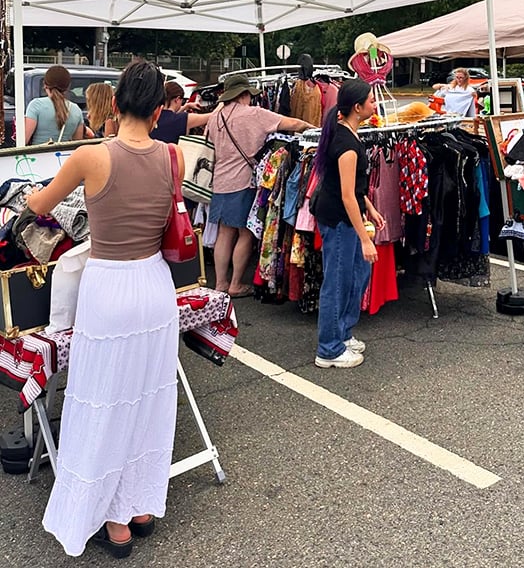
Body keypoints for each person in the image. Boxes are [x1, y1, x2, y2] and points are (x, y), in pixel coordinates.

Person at [28, 60, 183, 558]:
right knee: (146, 396)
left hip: (109, 287)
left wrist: (32, 193)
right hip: (155, 287)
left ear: (114, 105)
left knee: (102, 397)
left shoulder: (89, 157)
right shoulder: (173, 157)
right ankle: (137, 506)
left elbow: (40, 205)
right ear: (160, 110)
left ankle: (110, 520)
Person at [207, 73, 314, 297]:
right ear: (244, 95)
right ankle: (236, 284)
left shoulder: (215, 118)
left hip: (219, 181)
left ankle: (220, 283)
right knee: (245, 233)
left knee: (224, 233)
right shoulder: (253, 114)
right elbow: (291, 123)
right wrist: (313, 129)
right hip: (243, 181)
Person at [311, 78, 385, 369]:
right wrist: (364, 238)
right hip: (338, 219)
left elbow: (353, 187)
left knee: (356, 275)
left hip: (344, 216)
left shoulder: (347, 134)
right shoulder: (347, 144)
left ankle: (341, 333)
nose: (374, 105)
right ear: (357, 107)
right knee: (338, 283)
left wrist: (370, 208)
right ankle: (328, 348)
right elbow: (345, 194)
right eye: (371, 101)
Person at [24, 65, 85, 145]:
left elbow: (23, 140)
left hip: (39, 156)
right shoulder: (76, 109)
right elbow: (77, 143)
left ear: (45, 84)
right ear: (68, 86)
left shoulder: (36, 105)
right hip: (64, 156)